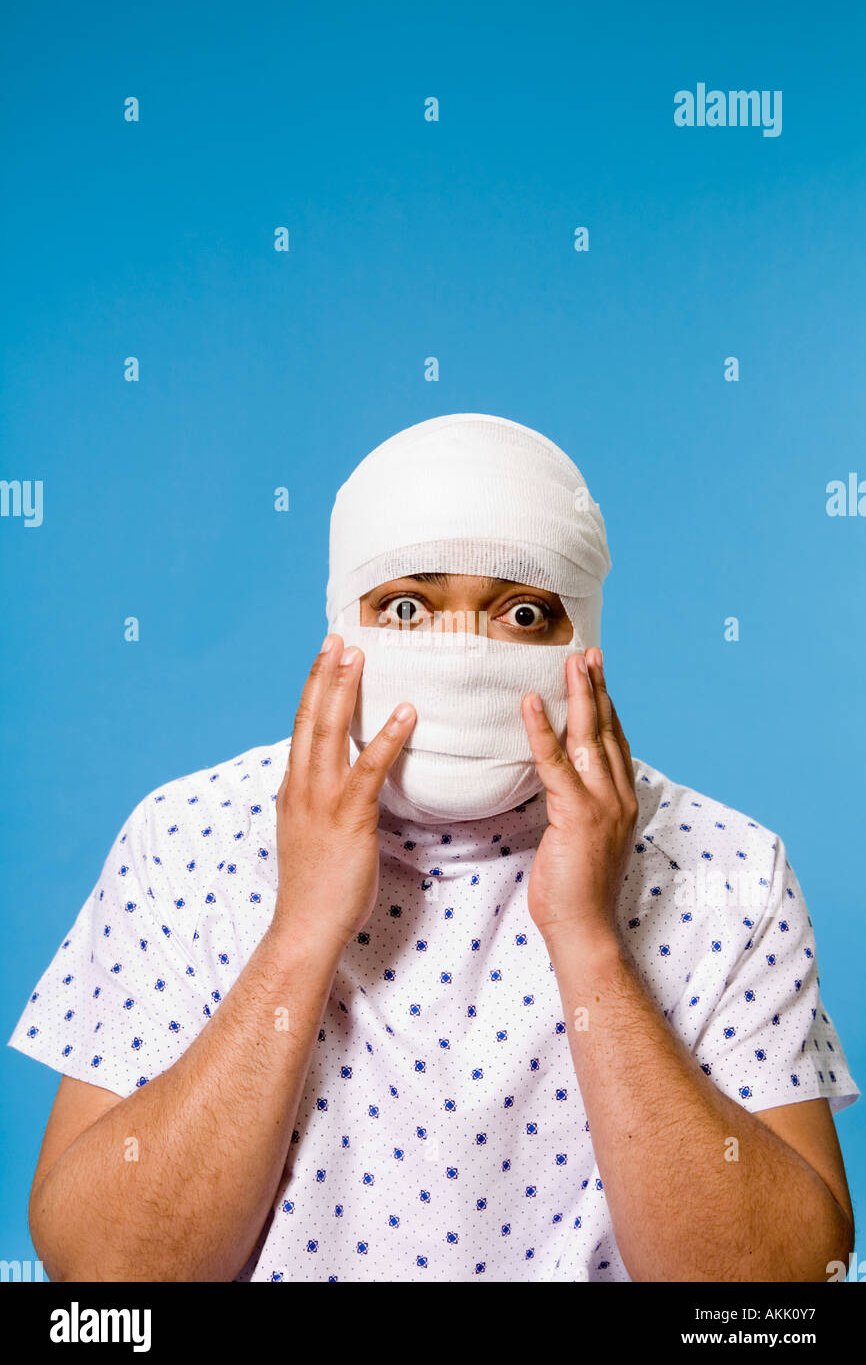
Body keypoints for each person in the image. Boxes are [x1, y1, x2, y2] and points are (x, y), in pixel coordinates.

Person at [9, 412, 859, 1283]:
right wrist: (300, 932)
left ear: (586, 642)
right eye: (406, 607)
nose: (459, 658)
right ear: (342, 621)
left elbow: (778, 1299)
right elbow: (108, 1276)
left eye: (523, 611)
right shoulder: (189, 839)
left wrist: (591, 943)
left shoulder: (724, 867)